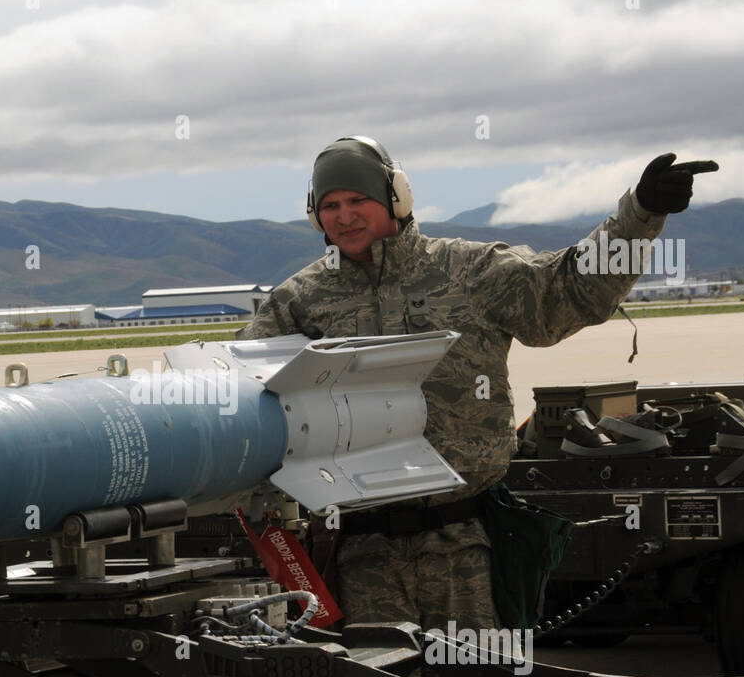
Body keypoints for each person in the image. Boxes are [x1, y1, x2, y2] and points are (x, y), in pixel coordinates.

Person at [236, 136, 717, 631]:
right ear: (316, 216)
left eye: (359, 200)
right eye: (331, 206)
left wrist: (639, 216)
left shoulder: (470, 272)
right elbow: (242, 386)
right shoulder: (299, 301)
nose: (345, 216)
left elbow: (567, 290)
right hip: (360, 554)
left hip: (467, 545)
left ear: (395, 198)